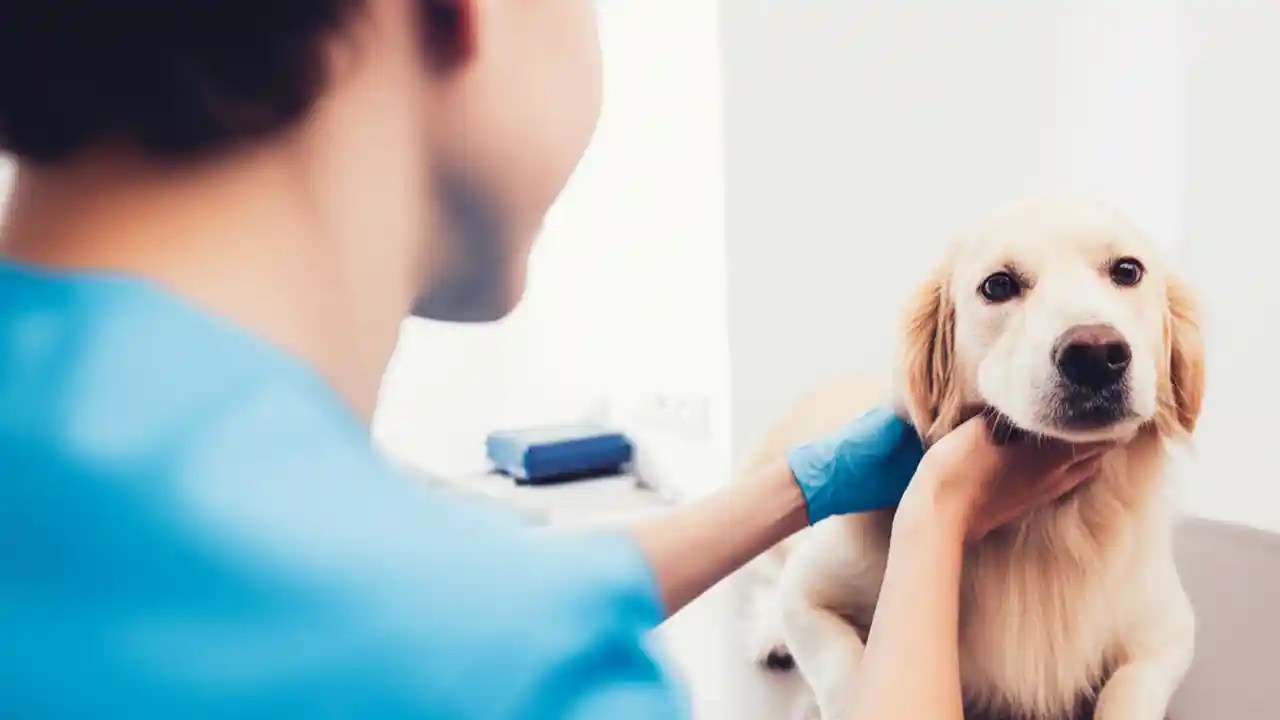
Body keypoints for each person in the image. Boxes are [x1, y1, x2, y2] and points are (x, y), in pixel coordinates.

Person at [0, 1, 1106, 718]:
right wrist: (933, 524)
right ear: (453, 15)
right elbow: (464, 623)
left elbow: (487, 587)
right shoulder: (501, 672)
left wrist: (798, 487)